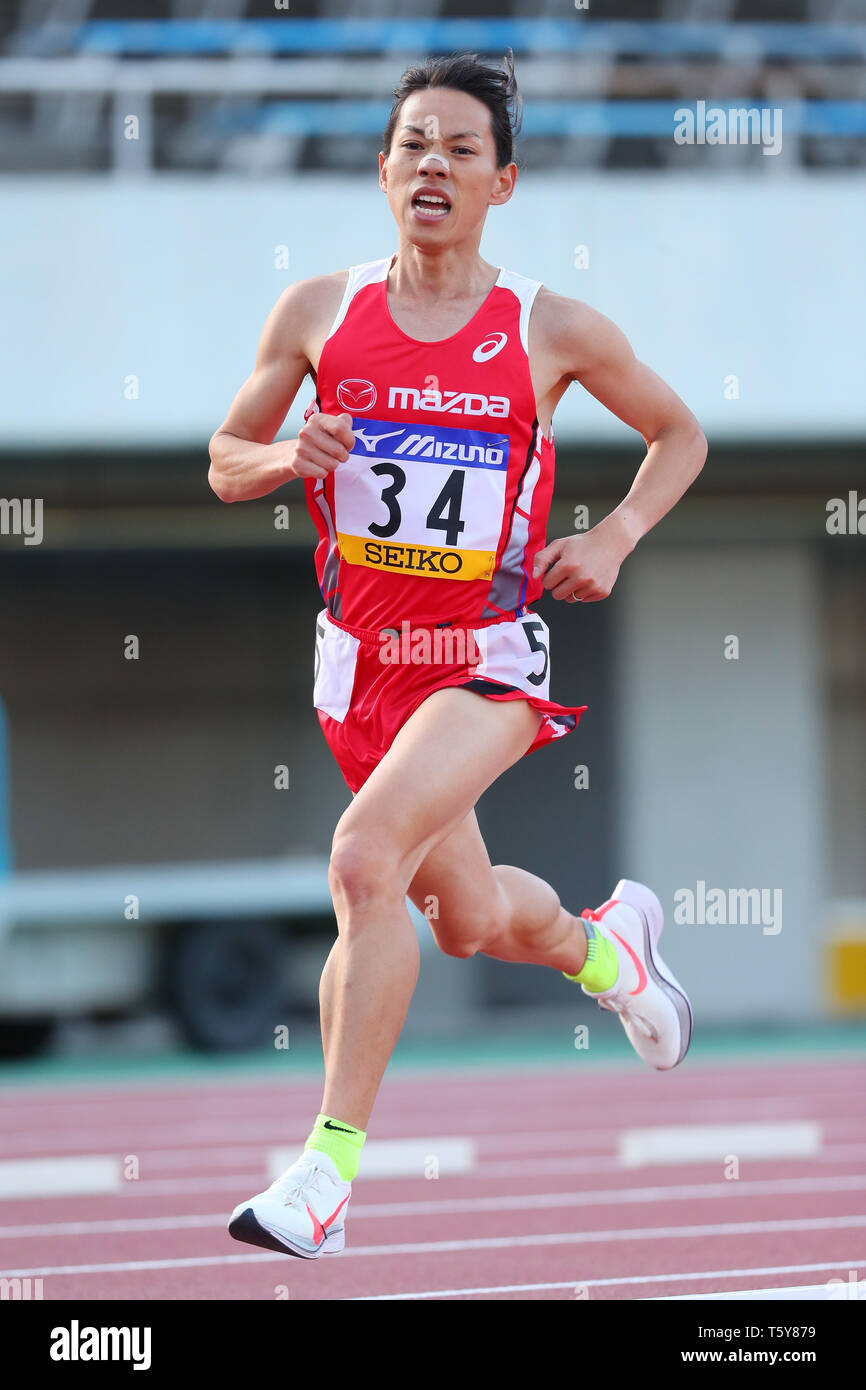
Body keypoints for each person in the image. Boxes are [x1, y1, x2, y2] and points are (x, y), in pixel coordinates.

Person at [209, 52, 706, 1261]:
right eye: (412, 144)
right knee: (472, 918)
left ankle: (325, 1176)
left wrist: (616, 533)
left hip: (482, 657)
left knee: (361, 860)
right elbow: (225, 456)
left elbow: (677, 431)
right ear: (382, 170)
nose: (431, 163)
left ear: (503, 183)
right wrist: (290, 457)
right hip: (359, 672)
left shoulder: (549, 328)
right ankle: (610, 950)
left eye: (458, 149)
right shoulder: (318, 314)